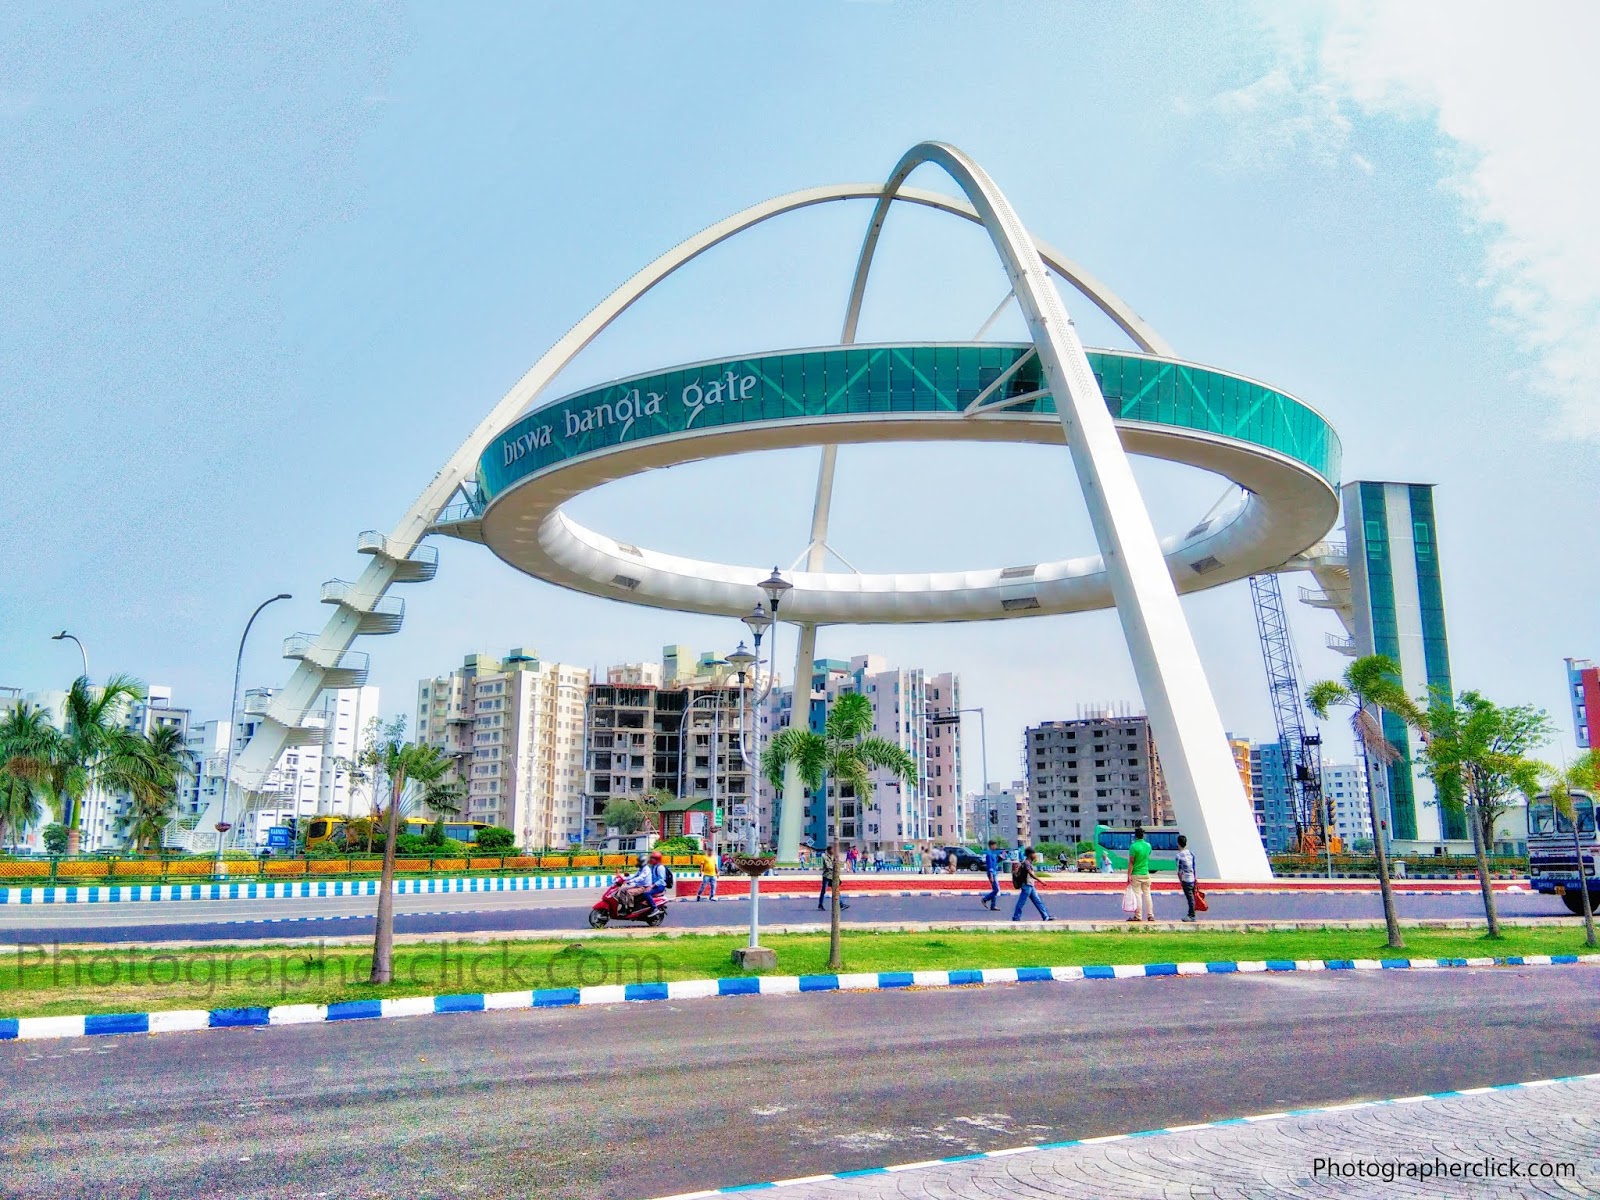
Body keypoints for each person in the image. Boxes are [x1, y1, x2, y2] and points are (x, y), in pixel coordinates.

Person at [619, 850, 669, 915]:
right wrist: (624, 879)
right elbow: (635, 876)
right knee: (623, 889)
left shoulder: (659, 867)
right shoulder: (650, 867)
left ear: (657, 859)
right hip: (646, 885)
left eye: (653, 858)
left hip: (659, 886)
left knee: (646, 893)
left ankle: (654, 909)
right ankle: (623, 907)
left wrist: (651, 886)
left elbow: (661, 880)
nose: (651, 859)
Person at [1012, 847, 1053, 922]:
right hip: (1026, 886)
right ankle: (1016, 917)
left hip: (1030, 886)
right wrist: (1040, 881)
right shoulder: (1026, 863)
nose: (1035, 855)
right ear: (1030, 854)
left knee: (1038, 901)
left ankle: (1045, 916)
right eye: (1034, 854)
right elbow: (1030, 874)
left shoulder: (1029, 863)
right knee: (1021, 903)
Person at [1126, 825, 1155, 923]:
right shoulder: (1148, 846)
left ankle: (1138, 916)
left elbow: (1131, 862)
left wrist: (1129, 874)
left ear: (1135, 836)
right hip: (1146, 873)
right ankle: (1150, 915)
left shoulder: (1133, 846)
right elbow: (1147, 855)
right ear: (1143, 835)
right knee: (1147, 894)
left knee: (1137, 895)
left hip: (1136, 874)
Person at [818, 842, 850, 910]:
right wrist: (835, 867)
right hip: (827, 876)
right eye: (832, 850)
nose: (833, 851)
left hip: (832, 877)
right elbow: (828, 866)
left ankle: (841, 904)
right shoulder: (825, 857)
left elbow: (837, 864)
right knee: (823, 891)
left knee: (836, 890)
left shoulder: (833, 857)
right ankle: (820, 905)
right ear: (829, 850)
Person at [1175, 833, 1197, 922]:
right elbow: (1194, 867)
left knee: (1190, 898)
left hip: (1186, 879)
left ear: (1178, 843)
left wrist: (1181, 881)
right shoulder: (1191, 853)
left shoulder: (1179, 856)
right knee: (1192, 897)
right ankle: (1191, 914)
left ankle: (1191, 915)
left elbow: (1179, 871)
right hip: (1192, 878)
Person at [980, 840, 1002, 911]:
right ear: (991, 846)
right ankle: (985, 899)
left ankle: (993, 906)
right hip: (992, 874)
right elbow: (990, 866)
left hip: (994, 873)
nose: (995, 846)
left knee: (994, 889)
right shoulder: (989, 854)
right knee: (996, 889)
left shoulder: (993, 854)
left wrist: (1000, 859)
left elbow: (995, 863)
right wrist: (991, 876)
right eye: (994, 845)